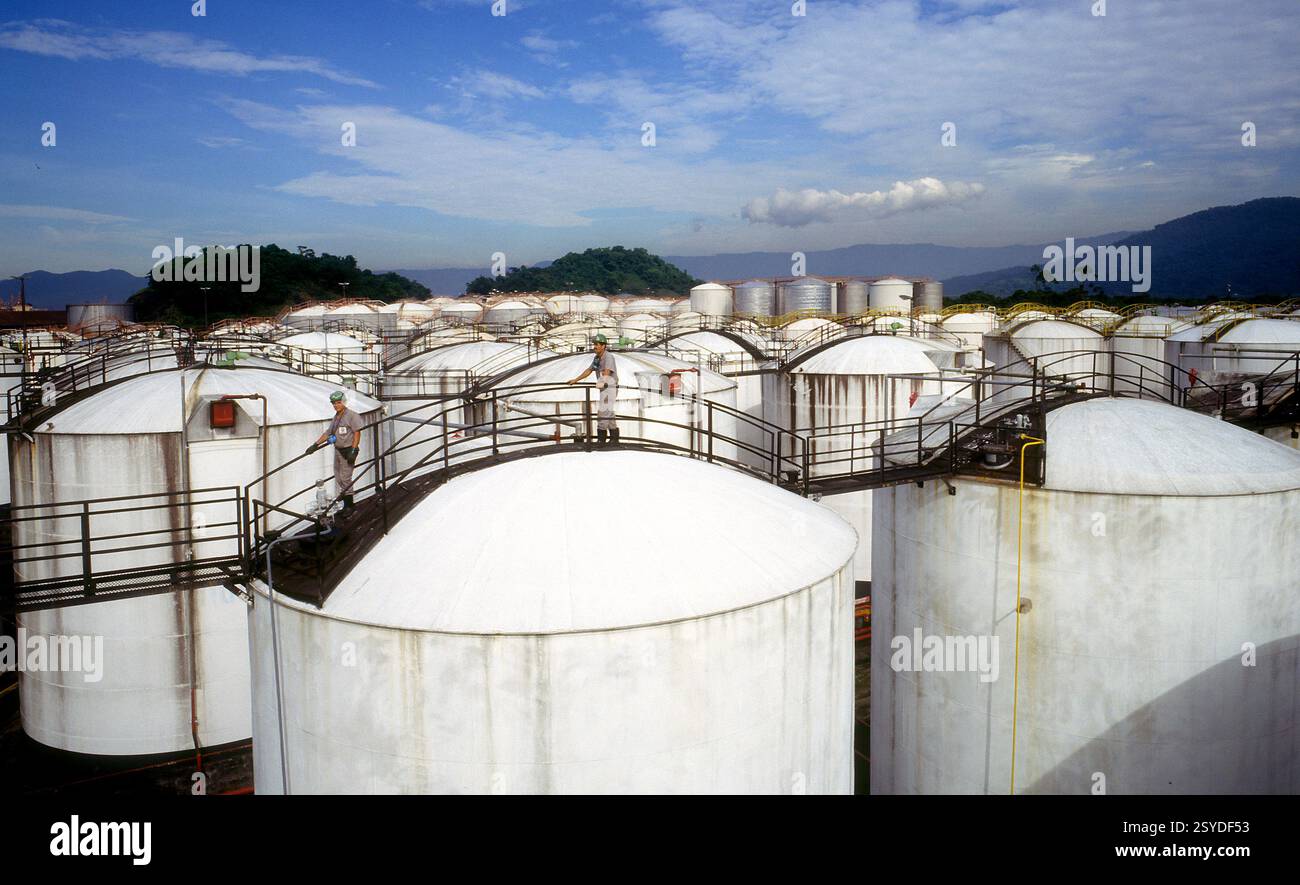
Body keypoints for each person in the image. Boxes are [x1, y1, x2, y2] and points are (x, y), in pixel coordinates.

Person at [306, 390, 363, 510]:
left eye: (338, 402)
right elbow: (328, 432)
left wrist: (353, 450)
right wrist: (315, 445)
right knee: (338, 476)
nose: (336, 405)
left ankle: (349, 505)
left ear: (343, 402)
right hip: (338, 450)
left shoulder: (352, 416)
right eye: (333, 403)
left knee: (345, 478)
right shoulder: (336, 417)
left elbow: (357, 433)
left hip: (348, 450)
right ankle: (346, 495)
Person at [567, 333, 619, 444]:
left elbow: (607, 372)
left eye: (597, 344)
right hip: (604, 388)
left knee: (602, 413)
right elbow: (589, 370)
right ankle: (614, 438)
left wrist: (601, 382)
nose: (595, 347)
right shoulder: (597, 358)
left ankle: (601, 440)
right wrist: (575, 380)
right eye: (594, 344)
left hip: (609, 388)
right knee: (608, 412)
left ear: (604, 346)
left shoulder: (608, 357)